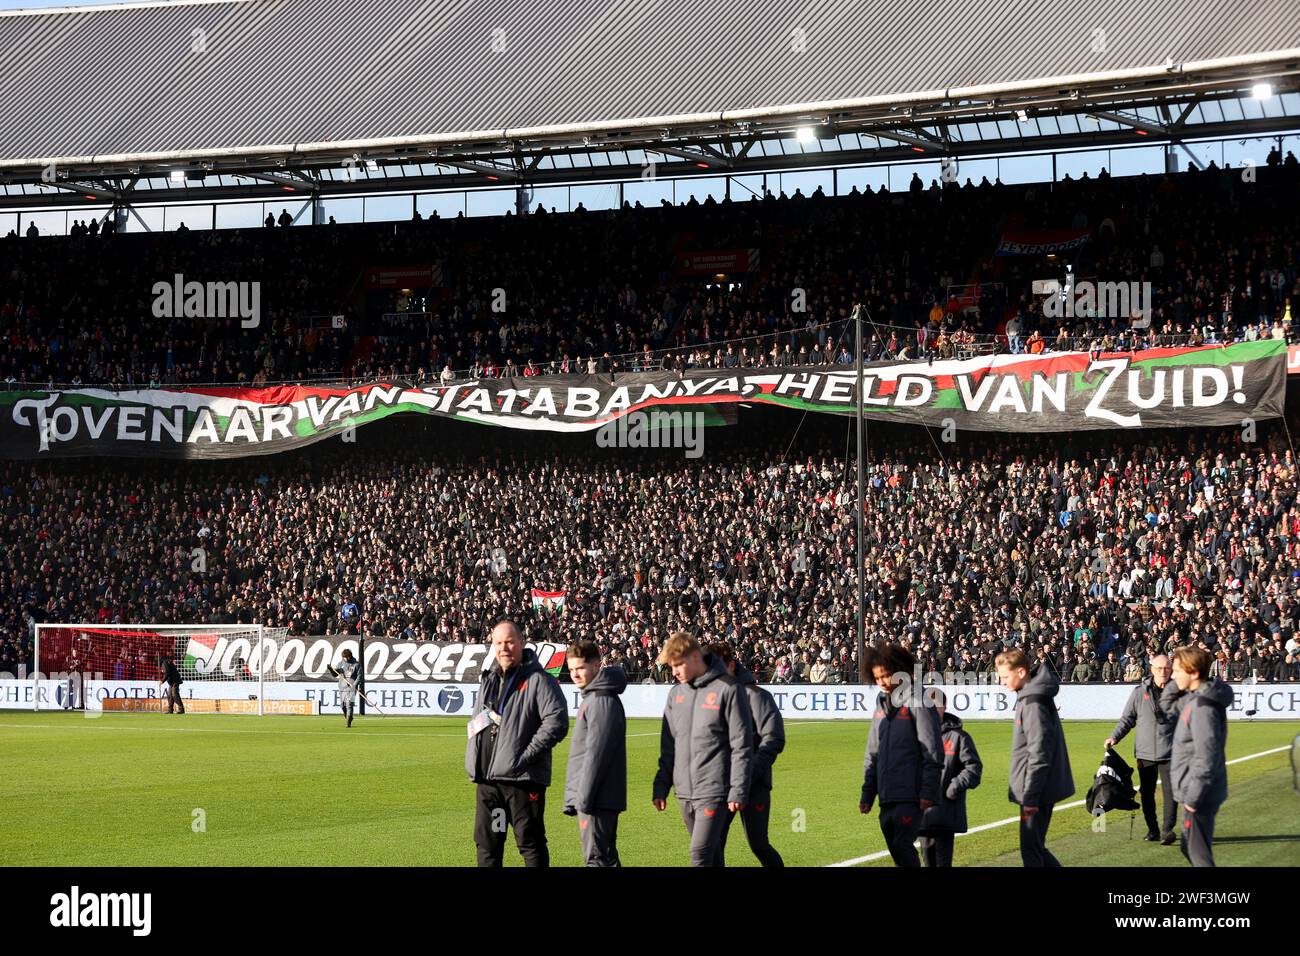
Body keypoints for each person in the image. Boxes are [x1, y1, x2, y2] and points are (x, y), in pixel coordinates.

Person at [465, 620, 568, 867]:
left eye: (510, 642)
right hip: (489, 782)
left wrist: (523, 758)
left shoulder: (538, 680)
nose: (504, 648)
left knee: (529, 843)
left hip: (523, 782)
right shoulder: (489, 679)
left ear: (521, 642)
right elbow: (478, 720)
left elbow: (557, 722)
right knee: (488, 844)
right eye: (499, 642)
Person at [652, 632, 753, 867]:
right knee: (713, 854)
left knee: (699, 855)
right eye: (671, 666)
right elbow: (669, 746)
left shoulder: (727, 689)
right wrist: (661, 785)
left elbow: (741, 744)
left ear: (696, 657)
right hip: (684, 791)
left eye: (678, 665)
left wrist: (738, 789)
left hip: (715, 789)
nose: (674, 672)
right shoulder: (675, 694)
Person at [859, 642, 944, 867]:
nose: (882, 683)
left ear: (902, 671)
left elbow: (932, 750)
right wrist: (868, 794)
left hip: (911, 794)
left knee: (901, 844)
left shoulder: (919, 701)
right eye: (877, 678)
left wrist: (928, 791)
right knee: (896, 849)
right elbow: (872, 753)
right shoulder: (880, 707)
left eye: (886, 676)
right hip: (887, 795)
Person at [708, 643, 785, 867]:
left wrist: (749, 770)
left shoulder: (757, 696)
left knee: (758, 843)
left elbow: (774, 739)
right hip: (723, 784)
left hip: (754, 784)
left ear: (731, 666)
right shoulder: (716, 697)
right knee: (713, 842)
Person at [997, 648, 1074, 867]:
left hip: (1036, 790)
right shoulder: (1030, 697)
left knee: (1031, 851)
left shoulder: (1033, 702)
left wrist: (1030, 795)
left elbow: (1039, 753)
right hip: (1037, 787)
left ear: (1021, 672)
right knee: (1035, 848)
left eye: (1004, 677)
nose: (1002, 682)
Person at [1160, 646, 1232, 867]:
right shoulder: (1195, 698)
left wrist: (1193, 798)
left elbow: (1206, 758)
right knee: (1189, 847)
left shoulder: (1202, 708)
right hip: (1196, 791)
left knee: (1199, 856)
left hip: (1199, 794)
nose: (1172, 675)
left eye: (1177, 670)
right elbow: (1167, 706)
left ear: (1193, 672)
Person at [562, 640, 627, 867]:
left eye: (580, 668)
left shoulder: (600, 700)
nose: (575, 674)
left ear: (597, 665)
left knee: (598, 860)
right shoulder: (594, 697)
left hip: (597, 798)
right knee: (604, 859)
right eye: (571, 669)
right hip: (595, 797)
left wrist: (583, 798)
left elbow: (597, 755)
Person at [1105, 654, 1178, 844]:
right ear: (1152, 669)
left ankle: (1167, 830)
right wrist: (1115, 736)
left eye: (1167, 668)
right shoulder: (1139, 692)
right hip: (1145, 753)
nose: (1163, 672)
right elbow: (1127, 719)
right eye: (1159, 668)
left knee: (1172, 793)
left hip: (1172, 752)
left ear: (1172, 670)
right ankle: (1153, 829)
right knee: (1146, 793)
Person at [917, 688, 983, 867]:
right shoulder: (917, 737)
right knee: (927, 862)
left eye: (934, 706)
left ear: (944, 707)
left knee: (943, 863)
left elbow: (974, 768)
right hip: (923, 813)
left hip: (946, 812)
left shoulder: (959, 737)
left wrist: (954, 786)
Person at [326, 648, 360, 727]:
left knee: (349, 704)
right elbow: (335, 674)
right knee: (343, 706)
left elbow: (359, 676)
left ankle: (348, 722)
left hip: (351, 688)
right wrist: (331, 670)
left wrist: (354, 685)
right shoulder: (341, 663)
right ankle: (348, 717)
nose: (344, 659)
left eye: (345, 657)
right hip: (342, 687)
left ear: (349, 657)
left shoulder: (356, 664)